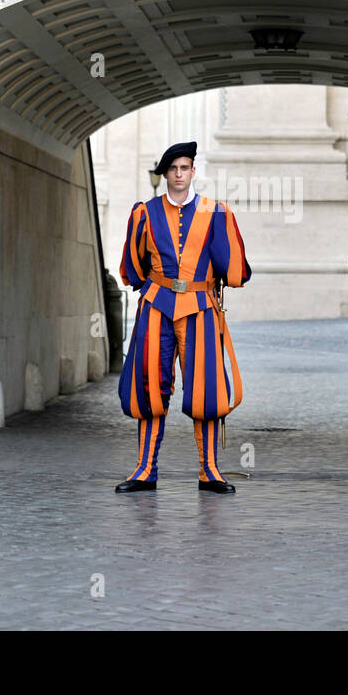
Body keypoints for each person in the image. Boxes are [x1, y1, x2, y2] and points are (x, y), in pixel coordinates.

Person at [114, 141, 251, 494]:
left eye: (185, 167)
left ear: (193, 171)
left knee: (206, 389)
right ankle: (145, 470)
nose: (179, 174)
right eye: (173, 169)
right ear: (165, 174)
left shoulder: (215, 212)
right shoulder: (145, 212)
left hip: (200, 309)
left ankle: (209, 471)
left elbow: (232, 269)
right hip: (157, 305)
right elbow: (133, 267)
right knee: (149, 388)